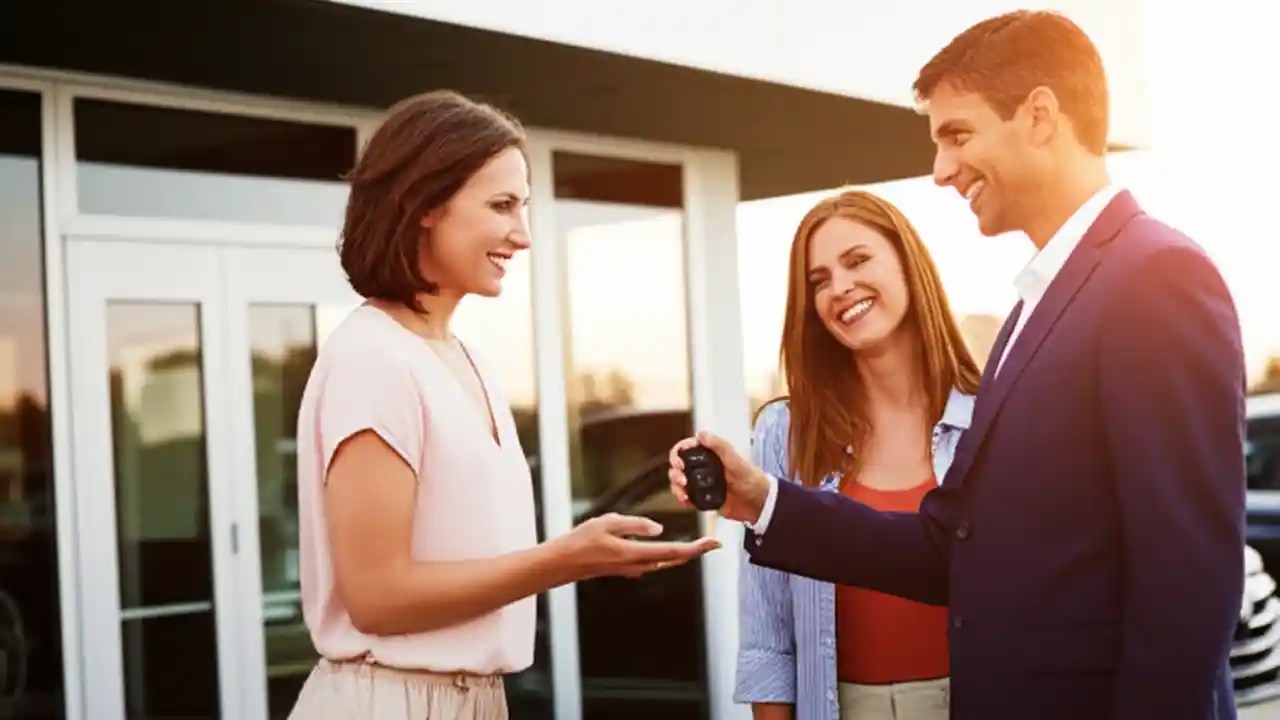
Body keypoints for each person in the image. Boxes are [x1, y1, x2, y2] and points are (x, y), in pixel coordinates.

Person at [671, 11, 1246, 720]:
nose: (941, 169)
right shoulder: (1032, 313)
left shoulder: (1155, 278)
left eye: (958, 135)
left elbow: (1186, 588)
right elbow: (952, 547)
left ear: (1039, 115)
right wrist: (765, 501)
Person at [288, 90, 719, 720]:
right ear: (425, 205)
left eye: (524, 208)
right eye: (501, 206)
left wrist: (576, 556)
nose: (521, 235)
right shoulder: (372, 359)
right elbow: (377, 597)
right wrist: (564, 560)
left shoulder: (467, 362)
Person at [733, 189, 980, 720]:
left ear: (908, 264)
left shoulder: (992, 418)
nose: (839, 288)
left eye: (858, 260)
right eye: (818, 281)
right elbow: (767, 636)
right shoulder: (784, 432)